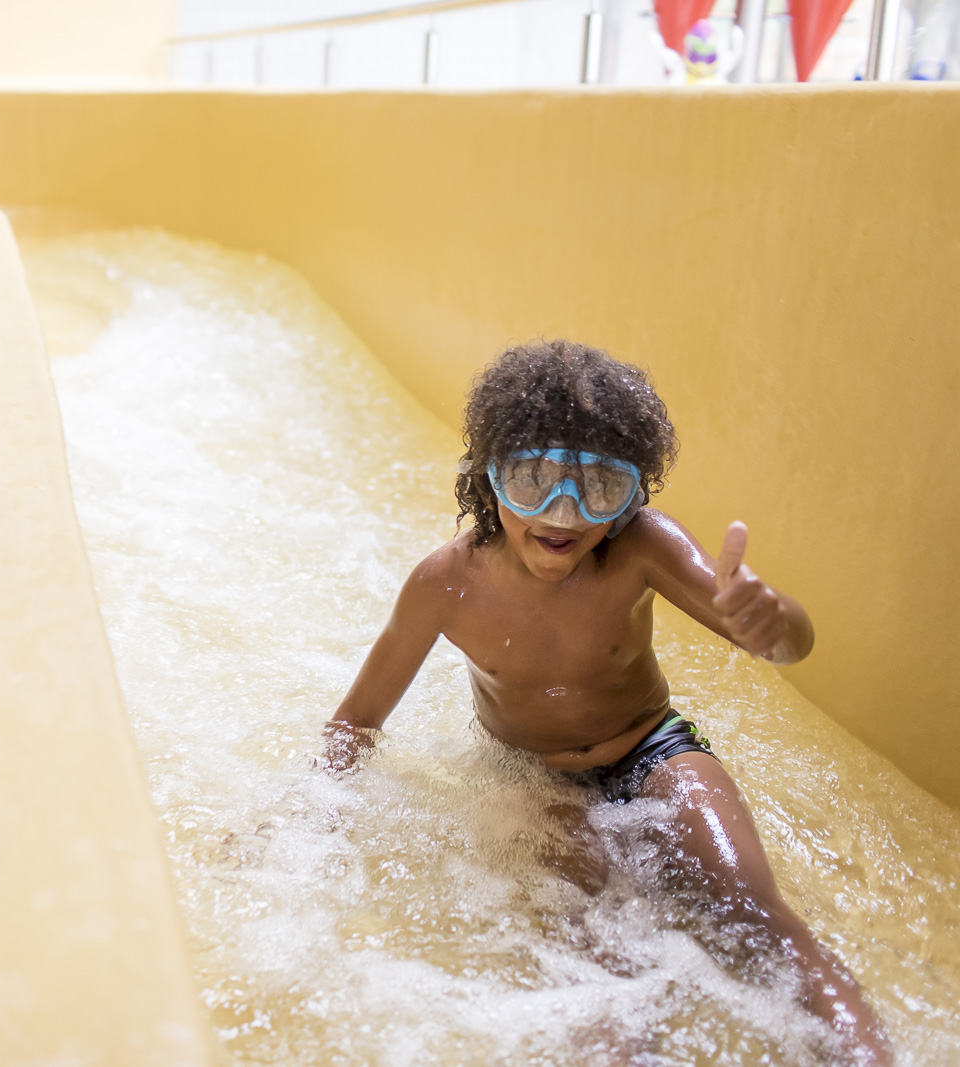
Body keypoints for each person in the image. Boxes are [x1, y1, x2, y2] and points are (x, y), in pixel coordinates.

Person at [322, 340, 890, 1064]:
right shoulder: (446, 583)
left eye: (597, 489)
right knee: (597, 955)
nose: (563, 513)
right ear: (490, 478)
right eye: (534, 479)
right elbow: (356, 719)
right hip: (534, 775)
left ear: (630, 496)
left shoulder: (642, 548)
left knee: (761, 922)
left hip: (655, 748)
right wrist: (314, 810)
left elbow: (786, 645)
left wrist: (772, 622)